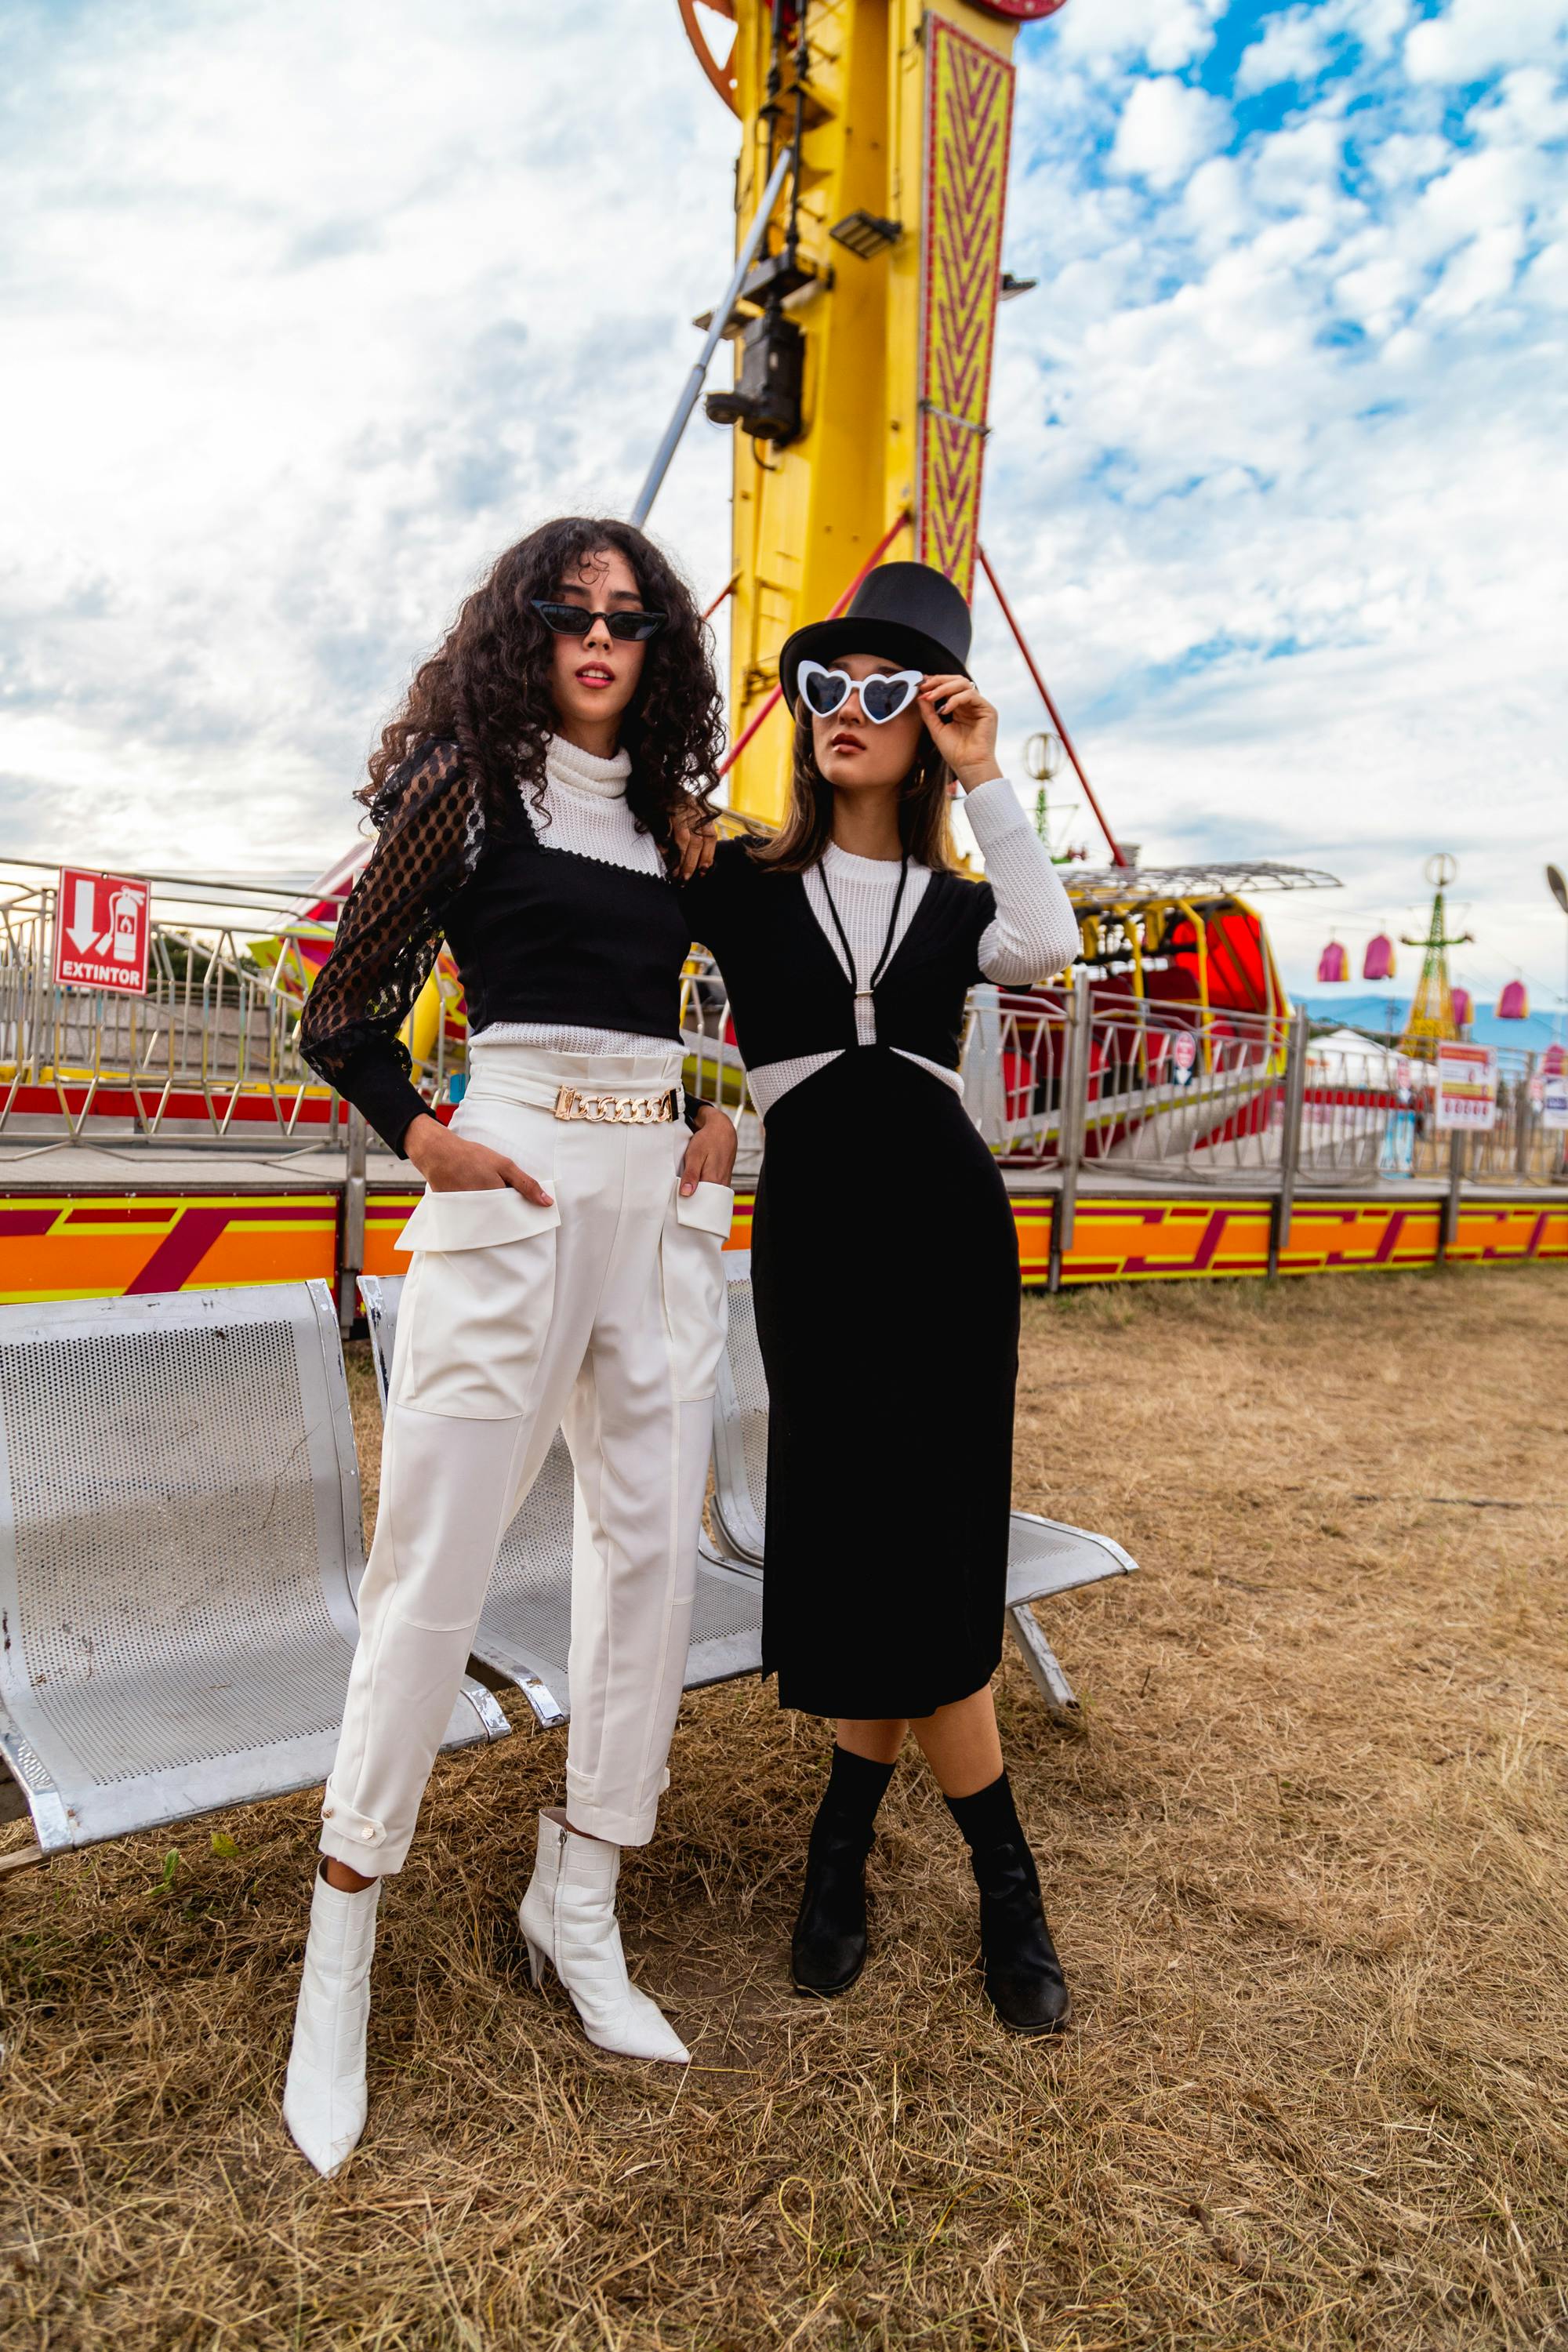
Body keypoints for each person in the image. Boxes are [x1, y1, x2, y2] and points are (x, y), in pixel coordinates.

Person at [285, 517, 737, 2176]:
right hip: (516, 1178)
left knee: (653, 1558)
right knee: (434, 1564)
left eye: (629, 617)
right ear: (526, 631)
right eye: (570, 611)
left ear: (658, 646)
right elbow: (342, 1003)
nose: (599, 637)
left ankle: (582, 1899)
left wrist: (718, 1108)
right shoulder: (474, 792)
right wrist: (426, 1135)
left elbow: (740, 999)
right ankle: (341, 1944)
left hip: (656, 1206)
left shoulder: (678, 825)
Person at [682, 561, 1082, 2034]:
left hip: (948, 1241)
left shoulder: (963, 901)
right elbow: (608, 944)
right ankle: (943, 1861)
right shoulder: (737, 881)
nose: (847, 709)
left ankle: (903, 1866)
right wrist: (676, 1104)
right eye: (824, 687)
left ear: (930, 722)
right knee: (865, 1539)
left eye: (888, 690)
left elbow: (1051, 946)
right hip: (820, 1242)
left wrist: (989, 777)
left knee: (935, 1542)